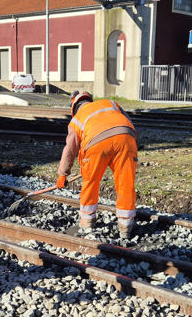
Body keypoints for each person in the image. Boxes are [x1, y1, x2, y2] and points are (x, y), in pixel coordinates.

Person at [56, 91, 138, 239]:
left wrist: (63, 174)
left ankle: (87, 222)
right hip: (125, 138)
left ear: (74, 108)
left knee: (91, 181)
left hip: (96, 144)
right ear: (89, 100)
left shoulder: (76, 120)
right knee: (125, 182)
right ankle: (125, 227)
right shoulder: (111, 103)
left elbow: (69, 150)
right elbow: (128, 123)